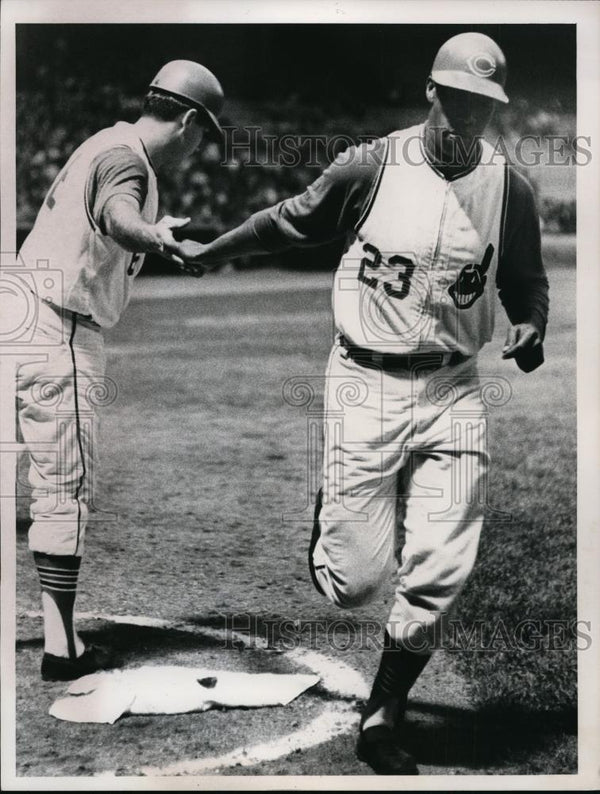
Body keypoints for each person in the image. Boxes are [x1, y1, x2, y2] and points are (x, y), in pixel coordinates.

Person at [177, 32, 549, 774]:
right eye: (459, 100)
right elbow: (289, 220)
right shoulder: (372, 165)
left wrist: (533, 324)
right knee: (354, 585)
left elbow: (527, 283)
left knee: (442, 566)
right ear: (431, 92)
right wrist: (209, 251)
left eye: (485, 107)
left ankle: (385, 713)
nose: (467, 119)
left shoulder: (510, 188)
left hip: (453, 388)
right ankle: (333, 516)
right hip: (364, 382)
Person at [14, 60, 224, 681]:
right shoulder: (129, 160)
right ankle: (62, 648)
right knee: (63, 490)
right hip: (57, 330)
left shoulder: (105, 140)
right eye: (204, 134)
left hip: (18, 310)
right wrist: (153, 237)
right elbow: (117, 213)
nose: (199, 148)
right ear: (188, 120)